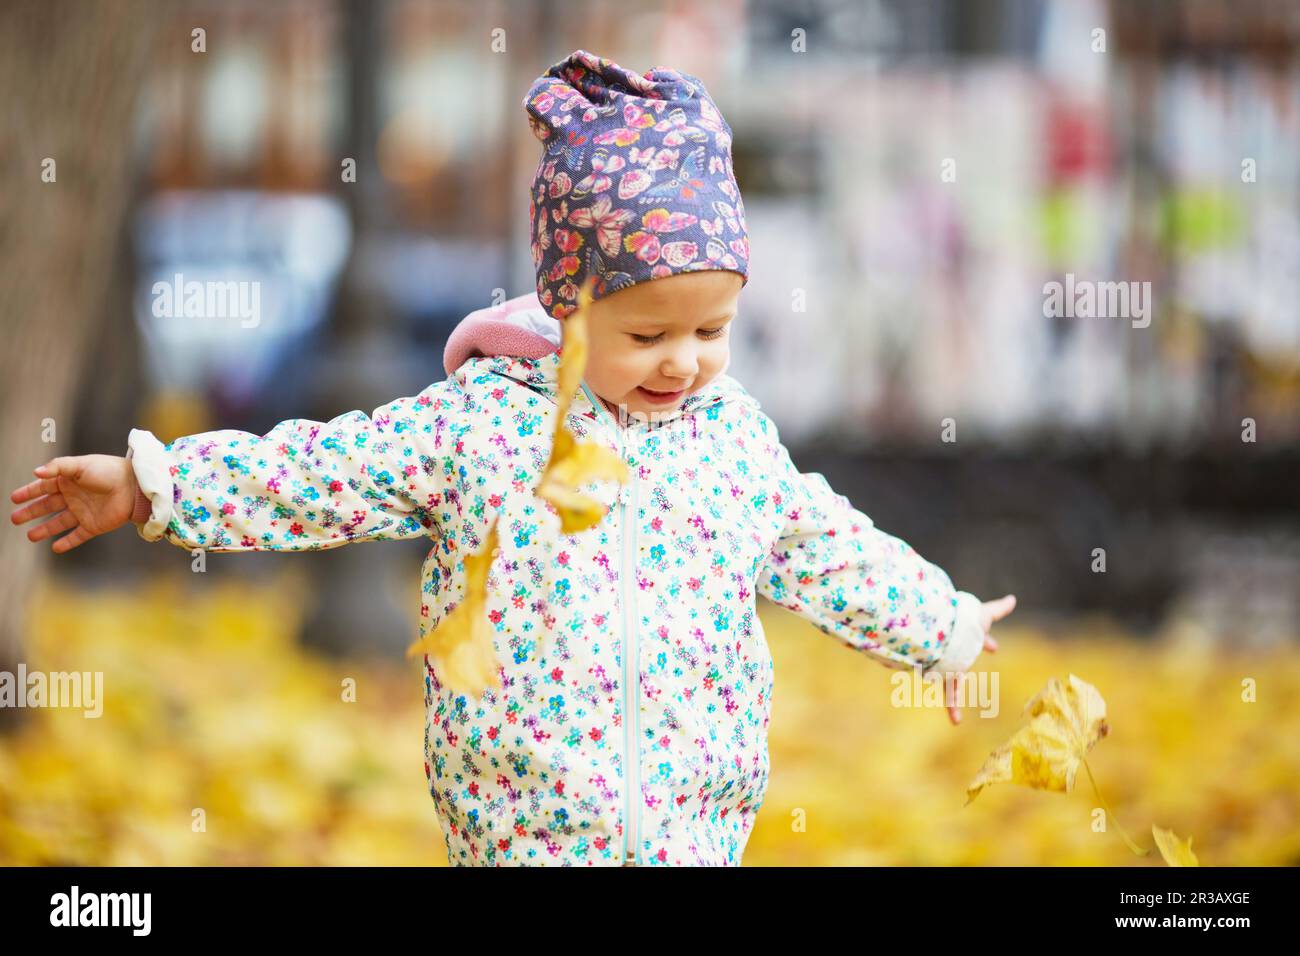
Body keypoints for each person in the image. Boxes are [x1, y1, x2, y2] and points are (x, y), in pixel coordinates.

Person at [9, 49, 1014, 866]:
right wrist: (159, 482)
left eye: (712, 329)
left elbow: (821, 543)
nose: (684, 360)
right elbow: (326, 470)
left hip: (696, 831)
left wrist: (943, 624)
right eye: (647, 333)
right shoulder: (481, 424)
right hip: (516, 828)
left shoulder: (734, 439)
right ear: (567, 306)